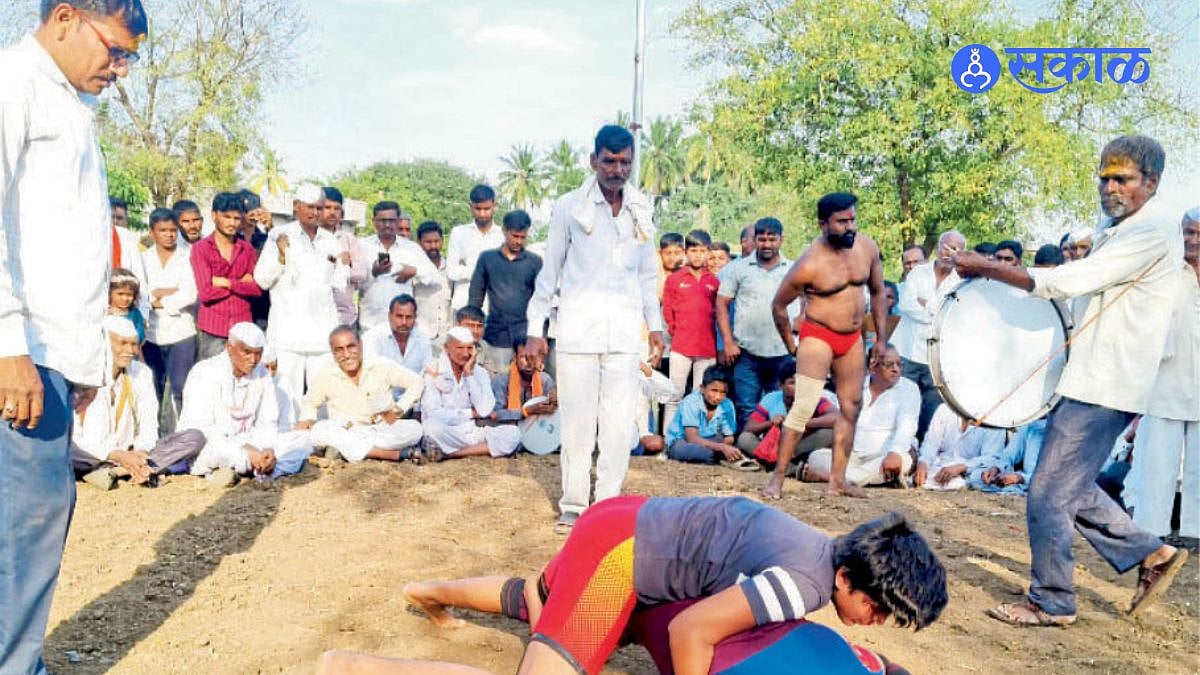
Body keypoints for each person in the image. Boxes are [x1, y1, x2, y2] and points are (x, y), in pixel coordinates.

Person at [954, 135, 1187, 624]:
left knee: (1046, 492)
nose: (1109, 188)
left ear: (1152, 182)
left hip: (1107, 382)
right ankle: (1151, 553)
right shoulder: (1117, 226)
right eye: (1104, 179)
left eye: (1122, 179)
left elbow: (1072, 280)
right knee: (1067, 485)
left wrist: (990, 269)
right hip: (1089, 375)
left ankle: (1052, 600)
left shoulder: (1153, 230)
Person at [389, 500, 946, 675]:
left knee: (539, 597)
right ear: (846, 577)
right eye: (877, 607)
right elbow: (690, 631)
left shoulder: (815, 553)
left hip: (628, 526)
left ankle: (428, 590)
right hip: (621, 555)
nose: (876, 621)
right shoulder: (803, 584)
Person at [1, 5, 147, 667]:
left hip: (51, 354)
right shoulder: (13, 83)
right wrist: (7, 346)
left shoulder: (71, 104)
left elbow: (71, 246)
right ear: (65, 17)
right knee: (23, 525)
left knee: (38, 516)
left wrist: (83, 363)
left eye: (129, 58)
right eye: (116, 50)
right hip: (20, 353)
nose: (121, 69)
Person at [525, 125, 665, 533]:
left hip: (624, 334)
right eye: (609, 161)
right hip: (577, 332)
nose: (617, 170)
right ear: (594, 161)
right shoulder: (569, 207)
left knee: (619, 425)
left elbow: (646, 274)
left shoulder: (641, 208)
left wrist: (655, 326)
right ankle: (573, 505)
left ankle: (607, 508)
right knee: (577, 424)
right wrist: (536, 327)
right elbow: (550, 271)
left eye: (625, 162)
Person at [763, 193, 889, 500]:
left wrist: (881, 339)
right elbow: (778, 305)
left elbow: (878, 292)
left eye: (852, 219)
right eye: (842, 221)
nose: (850, 226)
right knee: (804, 406)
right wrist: (790, 343)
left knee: (851, 406)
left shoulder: (867, 248)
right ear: (823, 224)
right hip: (817, 335)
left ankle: (837, 481)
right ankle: (777, 479)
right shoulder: (809, 263)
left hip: (853, 338)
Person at [1124, 208, 1199, 540]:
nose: (1192, 240)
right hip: (1165, 380)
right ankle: (1151, 533)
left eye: (1198, 234)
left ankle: (1195, 534)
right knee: (1156, 462)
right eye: (1188, 232)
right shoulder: (1165, 270)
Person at [71, 316, 204, 490]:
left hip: (131, 451)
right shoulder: (82, 374)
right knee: (67, 449)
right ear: (104, 342)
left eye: (134, 344)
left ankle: (118, 472)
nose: (130, 350)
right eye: (123, 343)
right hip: (93, 454)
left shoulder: (141, 372)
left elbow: (149, 423)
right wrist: (117, 455)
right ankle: (125, 469)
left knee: (194, 438)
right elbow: (75, 435)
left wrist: (141, 452)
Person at [255, 184, 350, 420]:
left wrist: (344, 265)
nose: (315, 213)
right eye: (310, 207)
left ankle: (322, 438)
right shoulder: (279, 236)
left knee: (323, 400)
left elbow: (339, 285)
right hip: (288, 333)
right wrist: (280, 256)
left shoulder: (330, 241)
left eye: (319, 207)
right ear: (296, 206)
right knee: (286, 400)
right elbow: (262, 280)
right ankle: (288, 440)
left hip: (322, 333)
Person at [179, 323, 310, 485]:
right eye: (247, 352)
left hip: (253, 442)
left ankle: (252, 468)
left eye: (258, 353)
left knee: (300, 441)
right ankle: (255, 469)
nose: (253, 360)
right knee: (221, 452)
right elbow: (201, 430)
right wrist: (244, 449)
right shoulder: (204, 372)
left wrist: (267, 449)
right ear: (229, 348)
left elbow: (267, 424)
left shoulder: (263, 374)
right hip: (214, 444)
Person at [296, 326, 424, 464]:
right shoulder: (326, 374)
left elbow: (417, 382)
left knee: (415, 429)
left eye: (351, 347)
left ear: (361, 345)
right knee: (319, 432)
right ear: (333, 352)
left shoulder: (381, 365)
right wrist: (307, 419)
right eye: (339, 350)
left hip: (380, 429)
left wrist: (397, 412)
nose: (346, 355)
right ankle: (392, 454)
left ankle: (347, 450)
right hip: (347, 429)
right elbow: (310, 403)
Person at [803, 345, 919, 488]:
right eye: (889, 365)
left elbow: (907, 427)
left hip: (885, 456)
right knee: (816, 457)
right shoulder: (855, 386)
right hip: (852, 455)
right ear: (872, 367)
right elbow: (840, 417)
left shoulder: (909, 388)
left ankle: (831, 477)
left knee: (904, 460)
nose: (896, 369)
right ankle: (853, 479)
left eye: (899, 364)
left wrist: (894, 453)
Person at [717, 217, 794, 428]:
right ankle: (747, 447)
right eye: (762, 239)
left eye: (772, 239)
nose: (767, 244)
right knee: (746, 408)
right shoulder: (739, 268)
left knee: (780, 407)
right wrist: (728, 342)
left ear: (782, 239)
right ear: (755, 240)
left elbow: (808, 298)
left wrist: (800, 322)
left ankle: (774, 447)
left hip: (783, 353)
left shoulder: (793, 269)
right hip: (746, 354)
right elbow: (721, 304)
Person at [890, 230, 964, 437]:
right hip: (907, 352)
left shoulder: (960, 283)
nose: (950, 253)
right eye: (947, 247)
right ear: (939, 248)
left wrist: (926, 304)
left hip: (936, 357)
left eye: (957, 249)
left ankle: (922, 450)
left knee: (930, 412)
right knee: (901, 406)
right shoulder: (917, 273)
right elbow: (907, 306)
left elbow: (953, 318)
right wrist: (938, 310)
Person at [420, 327, 520, 460]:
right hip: (445, 431)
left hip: (471, 432)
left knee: (513, 433)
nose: (465, 353)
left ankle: (449, 454)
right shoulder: (433, 370)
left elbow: (484, 411)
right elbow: (434, 414)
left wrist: (469, 375)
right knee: (430, 427)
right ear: (446, 348)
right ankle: (478, 449)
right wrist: (471, 413)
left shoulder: (480, 372)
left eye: (469, 348)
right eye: (460, 348)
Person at [468, 209, 542, 375]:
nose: (518, 241)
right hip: (495, 335)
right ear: (504, 231)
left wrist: (537, 335)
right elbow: (475, 297)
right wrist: (472, 330)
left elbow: (541, 301)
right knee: (497, 380)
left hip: (524, 337)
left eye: (522, 237)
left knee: (525, 382)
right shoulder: (487, 258)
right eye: (515, 236)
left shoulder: (535, 262)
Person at [191, 192, 262, 360]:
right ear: (214, 215)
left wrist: (226, 282)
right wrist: (241, 283)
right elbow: (206, 293)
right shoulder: (201, 248)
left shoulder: (247, 249)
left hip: (242, 326)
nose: (232, 223)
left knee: (243, 373)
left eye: (237, 218)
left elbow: (256, 289)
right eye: (227, 217)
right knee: (211, 374)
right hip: (212, 328)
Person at [141, 208, 198, 417]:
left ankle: (183, 432)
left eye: (173, 230)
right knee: (151, 388)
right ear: (152, 232)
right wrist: (167, 293)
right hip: (150, 333)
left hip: (182, 332)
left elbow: (190, 293)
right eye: (163, 230)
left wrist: (158, 298)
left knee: (182, 388)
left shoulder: (189, 255)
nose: (169, 235)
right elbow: (141, 293)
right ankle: (154, 432)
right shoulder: (142, 258)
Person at [663, 229, 720, 427]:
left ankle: (696, 437)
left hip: (707, 349)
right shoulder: (674, 279)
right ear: (686, 252)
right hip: (681, 348)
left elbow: (719, 314)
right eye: (694, 251)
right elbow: (668, 311)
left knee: (700, 398)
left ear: (708, 252)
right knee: (674, 395)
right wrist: (678, 332)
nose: (698, 255)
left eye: (702, 251)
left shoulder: (714, 281)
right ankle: (670, 438)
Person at [736, 358, 837, 466]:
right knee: (744, 438)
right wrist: (771, 423)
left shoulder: (814, 398)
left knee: (829, 433)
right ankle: (787, 466)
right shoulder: (771, 399)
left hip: (798, 449)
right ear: (781, 385)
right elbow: (748, 428)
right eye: (792, 383)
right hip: (773, 447)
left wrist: (803, 422)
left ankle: (776, 463)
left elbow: (836, 417)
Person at [359, 201, 439, 332]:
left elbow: (435, 277)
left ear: (398, 221)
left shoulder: (411, 248)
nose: (387, 225)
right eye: (382, 220)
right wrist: (373, 273)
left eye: (391, 220)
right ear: (374, 222)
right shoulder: (362, 246)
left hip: (403, 324)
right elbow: (353, 283)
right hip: (371, 323)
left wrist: (414, 271)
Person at [663, 366, 745, 466]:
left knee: (732, 446)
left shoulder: (727, 404)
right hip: (683, 440)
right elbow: (691, 438)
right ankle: (717, 456)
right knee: (688, 450)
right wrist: (722, 448)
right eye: (714, 390)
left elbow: (729, 436)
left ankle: (720, 455)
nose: (718, 397)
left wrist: (725, 446)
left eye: (723, 392)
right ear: (702, 388)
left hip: (709, 439)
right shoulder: (691, 402)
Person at [913, 403, 1005, 491]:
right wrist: (923, 462)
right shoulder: (945, 409)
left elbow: (992, 457)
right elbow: (931, 443)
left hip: (971, 473)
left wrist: (962, 467)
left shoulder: (995, 419)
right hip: (938, 468)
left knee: (983, 478)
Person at [447, 185, 504, 310]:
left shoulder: (503, 236)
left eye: (487, 209)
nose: (482, 214)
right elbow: (451, 271)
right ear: (470, 207)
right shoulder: (459, 233)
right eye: (478, 209)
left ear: (495, 206)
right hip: (464, 305)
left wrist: (466, 268)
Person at [320, 187, 369, 326]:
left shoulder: (349, 239)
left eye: (336, 208)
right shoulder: (309, 237)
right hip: (317, 315)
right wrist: (339, 263)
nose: (332, 212)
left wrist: (345, 266)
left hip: (345, 317)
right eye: (327, 207)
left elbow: (361, 274)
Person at [967, 418, 1046, 495]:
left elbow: (1050, 478)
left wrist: (1021, 478)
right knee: (977, 478)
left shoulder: (1053, 432)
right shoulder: (1030, 426)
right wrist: (996, 469)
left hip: (1044, 488)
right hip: (1022, 484)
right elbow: (1008, 455)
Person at [491, 337, 557, 423]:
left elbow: (556, 410)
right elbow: (495, 414)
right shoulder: (501, 381)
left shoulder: (545, 380)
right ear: (515, 357)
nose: (529, 363)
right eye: (524, 357)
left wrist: (554, 402)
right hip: (508, 429)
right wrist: (525, 411)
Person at [362, 294, 432, 375]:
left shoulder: (423, 340)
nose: (404, 322)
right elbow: (370, 374)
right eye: (399, 316)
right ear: (389, 316)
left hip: (415, 383)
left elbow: (428, 372)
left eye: (409, 317)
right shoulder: (374, 337)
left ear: (415, 318)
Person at [412, 220, 454, 350]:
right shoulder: (413, 270)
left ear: (442, 241)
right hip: (420, 335)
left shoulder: (451, 269)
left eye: (436, 241)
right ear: (419, 243)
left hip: (446, 336)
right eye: (428, 242)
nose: (433, 246)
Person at [109, 196, 150, 316]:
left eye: (119, 218)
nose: (115, 222)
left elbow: (140, 278)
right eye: (111, 217)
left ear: (126, 220)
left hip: (127, 310)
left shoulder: (131, 241)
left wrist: (143, 314)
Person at [107, 267, 145, 345]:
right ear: (109, 293)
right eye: (120, 294)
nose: (125, 299)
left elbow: (140, 335)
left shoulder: (135, 313)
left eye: (129, 295)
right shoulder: (103, 311)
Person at [657, 231, 685, 300]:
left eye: (677, 253)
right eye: (668, 253)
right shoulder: (656, 274)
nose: (672, 258)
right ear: (660, 253)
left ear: (684, 253)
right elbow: (659, 296)